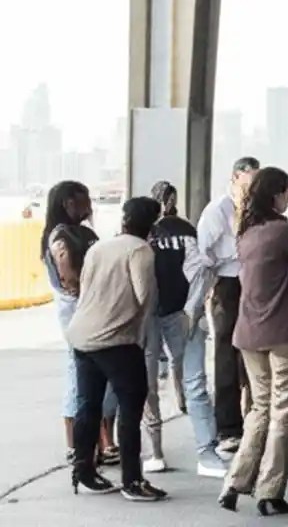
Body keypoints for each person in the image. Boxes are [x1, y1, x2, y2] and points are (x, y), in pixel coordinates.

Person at [218, 167, 288, 516]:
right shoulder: (284, 231)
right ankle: (270, 491)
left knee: (259, 409)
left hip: (248, 333)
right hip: (285, 332)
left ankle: (234, 482)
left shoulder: (245, 232)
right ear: (276, 195)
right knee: (283, 412)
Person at [65, 197, 167, 501]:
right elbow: (144, 299)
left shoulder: (99, 247)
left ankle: (83, 472)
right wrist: (141, 339)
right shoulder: (140, 250)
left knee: (89, 405)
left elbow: (85, 288)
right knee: (131, 406)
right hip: (116, 340)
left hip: (82, 336)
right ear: (153, 224)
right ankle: (132, 481)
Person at [140, 181, 227, 478]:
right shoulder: (182, 229)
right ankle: (202, 452)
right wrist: (192, 310)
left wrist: (190, 311)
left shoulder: (146, 232)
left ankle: (163, 452)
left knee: (161, 385)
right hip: (173, 313)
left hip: (162, 314)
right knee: (192, 383)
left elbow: (200, 271)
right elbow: (200, 272)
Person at [42, 180, 119, 466]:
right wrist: (88, 293)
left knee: (95, 373)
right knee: (78, 371)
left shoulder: (83, 232)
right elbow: (68, 276)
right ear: (68, 203)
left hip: (89, 305)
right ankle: (76, 442)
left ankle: (97, 439)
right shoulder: (61, 236)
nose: (89, 205)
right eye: (83, 199)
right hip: (77, 308)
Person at [196, 156, 260, 455]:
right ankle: (228, 428)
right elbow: (204, 250)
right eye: (251, 179)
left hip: (254, 281)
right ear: (236, 177)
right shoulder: (218, 210)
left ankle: (256, 419)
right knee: (226, 353)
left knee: (257, 349)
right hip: (228, 282)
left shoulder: (258, 207)